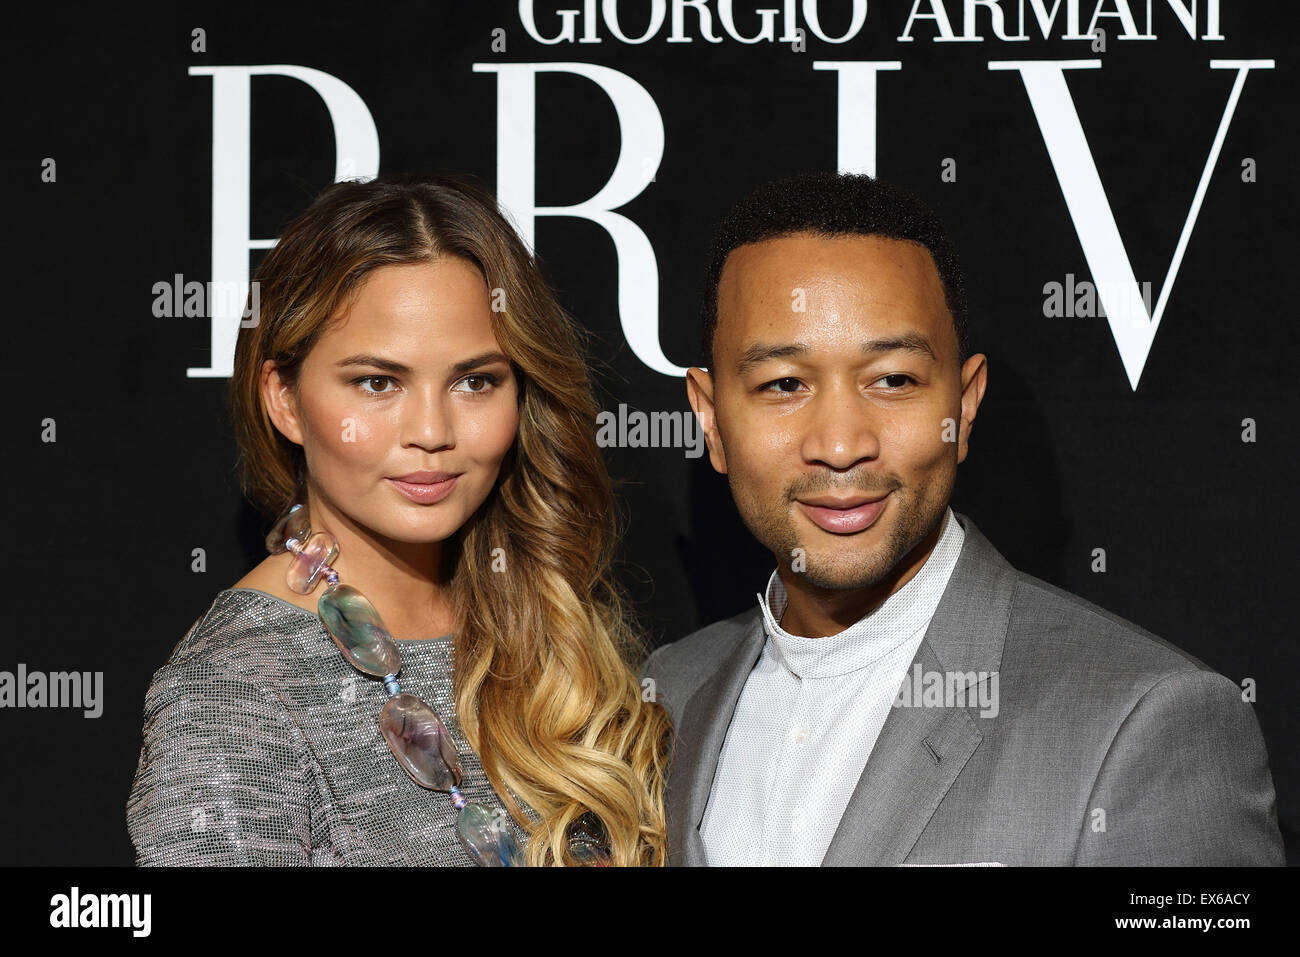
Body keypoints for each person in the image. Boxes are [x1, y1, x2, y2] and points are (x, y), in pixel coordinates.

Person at [642, 170, 1284, 866]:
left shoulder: (1148, 725)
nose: (839, 443)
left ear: (966, 404)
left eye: (893, 379)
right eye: (784, 384)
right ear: (709, 417)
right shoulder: (661, 695)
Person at [127, 173, 671, 866]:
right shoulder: (233, 692)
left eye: (475, 381)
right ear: (285, 398)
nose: (432, 430)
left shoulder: (545, 628)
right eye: (378, 382)